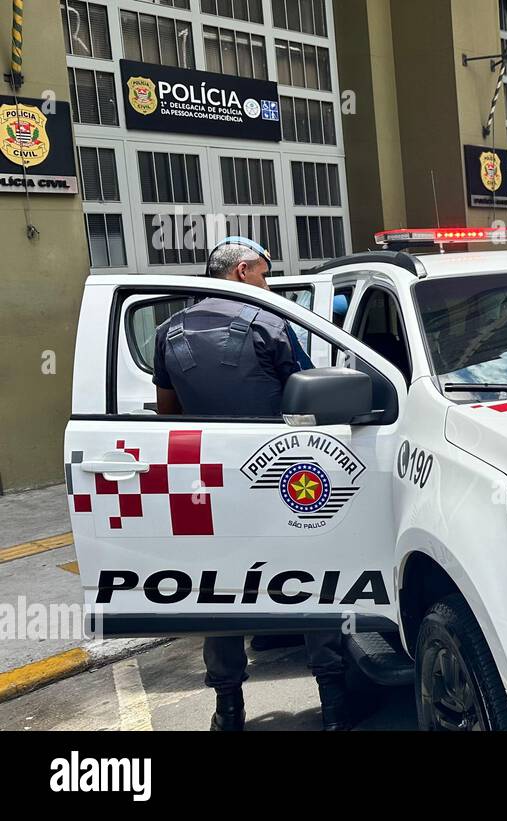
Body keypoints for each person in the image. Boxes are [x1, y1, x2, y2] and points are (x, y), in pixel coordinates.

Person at [152, 236, 349, 732]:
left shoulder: (168, 330)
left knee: (215, 592)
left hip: (205, 478)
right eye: (263, 272)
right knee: (311, 583)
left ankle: (229, 710)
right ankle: (335, 706)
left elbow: (166, 412)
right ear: (241, 271)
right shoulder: (268, 321)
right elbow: (311, 397)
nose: (266, 281)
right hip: (279, 473)